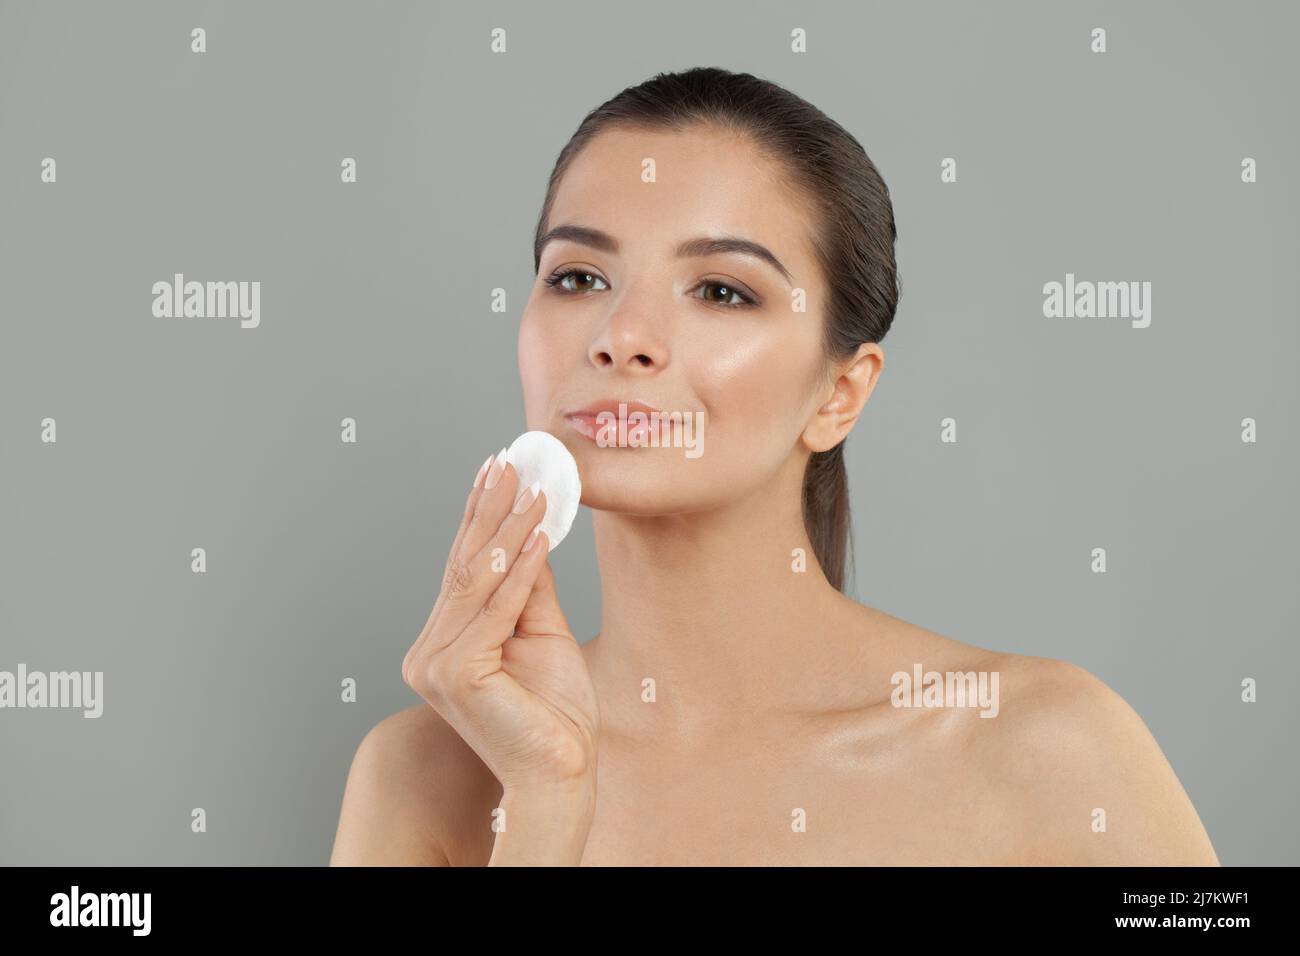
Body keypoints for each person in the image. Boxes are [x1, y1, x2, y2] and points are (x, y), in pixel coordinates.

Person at [329, 67, 1219, 866]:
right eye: (578, 277)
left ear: (839, 393)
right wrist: (546, 803)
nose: (621, 338)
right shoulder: (425, 774)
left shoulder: (1047, 747)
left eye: (722, 290)